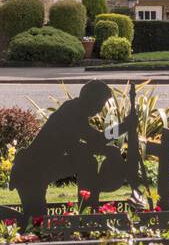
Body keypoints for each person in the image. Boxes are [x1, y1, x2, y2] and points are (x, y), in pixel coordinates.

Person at [9, 81, 138, 225]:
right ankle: (88, 217)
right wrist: (124, 127)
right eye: (100, 104)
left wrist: (111, 149)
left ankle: (88, 215)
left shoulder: (75, 111)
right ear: (90, 100)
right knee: (35, 224)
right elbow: (95, 140)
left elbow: (83, 144)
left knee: (87, 162)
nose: (101, 109)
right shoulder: (71, 113)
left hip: (41, 169)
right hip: (30, 174)